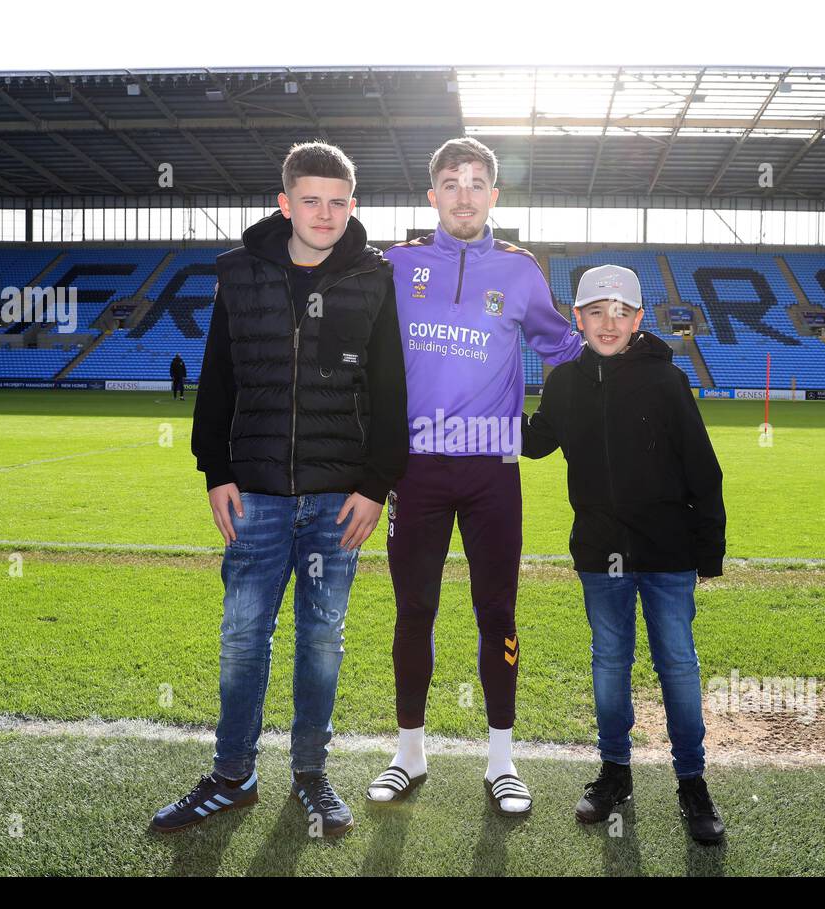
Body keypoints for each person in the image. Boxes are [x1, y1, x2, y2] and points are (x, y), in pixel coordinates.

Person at [150, 142, 408, 838]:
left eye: (337, 201)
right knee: (242, 638)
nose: (323, 214)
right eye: (310, 200)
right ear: (284, 202)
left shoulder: (374, 279)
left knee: (322, 642)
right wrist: (216, 469)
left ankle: (311, 775)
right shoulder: (239, 273)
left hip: (338, 500)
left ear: (352, 207)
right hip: (256, 494)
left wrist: (376, 486)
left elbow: (389, 392)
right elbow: (220, 378)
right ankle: (232, 775)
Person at [364, 138, 583, 816]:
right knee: (415, 609)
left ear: (495, 195)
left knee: (497, 611)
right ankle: (409, 751)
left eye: (477, 182)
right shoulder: (395, 266)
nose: (464, 194)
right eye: (451, 183)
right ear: (432, 196)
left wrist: (624, 371)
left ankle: (501, 759)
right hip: (416, 469)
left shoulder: (520, 273)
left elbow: (568, 349)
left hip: (493, 469)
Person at [520, 264, 727, 843]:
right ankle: (615, 773)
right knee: (609, 667)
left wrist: (708, 548)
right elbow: (535, 442)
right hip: (599, 554)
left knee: (678, 668)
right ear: (577, 319)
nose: (607, 323)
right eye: (594, 311)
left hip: (667, 555)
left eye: (620, 312)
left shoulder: (667, 382)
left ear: (638, 320)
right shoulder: (564, 382)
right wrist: (481, 403)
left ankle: (692, 783)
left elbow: (702, 468)